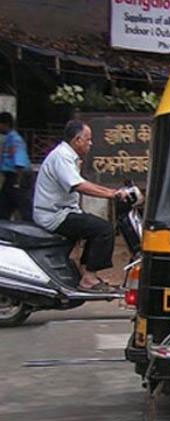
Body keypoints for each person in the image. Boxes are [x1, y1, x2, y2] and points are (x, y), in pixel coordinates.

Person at [33, 120, 128, 292]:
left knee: (94, 227)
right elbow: (79, 186)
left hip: (64, 211)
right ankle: (89, 278)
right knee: (104, 229)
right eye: (88, 139)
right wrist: (111, 194)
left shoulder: (67, 156)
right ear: (77, 140)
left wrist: (111, 192)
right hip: (54, 215)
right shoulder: (62, 156)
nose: (90, 143)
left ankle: (85, 273)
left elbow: (82, 183)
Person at [0, 112, 33, 221]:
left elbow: (20, 162)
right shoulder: (8, 139)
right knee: (4, 207)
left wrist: (17, 183)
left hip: (18, 177)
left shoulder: (15, 140)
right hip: (11, 177)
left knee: (24, 208)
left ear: (5, 124)